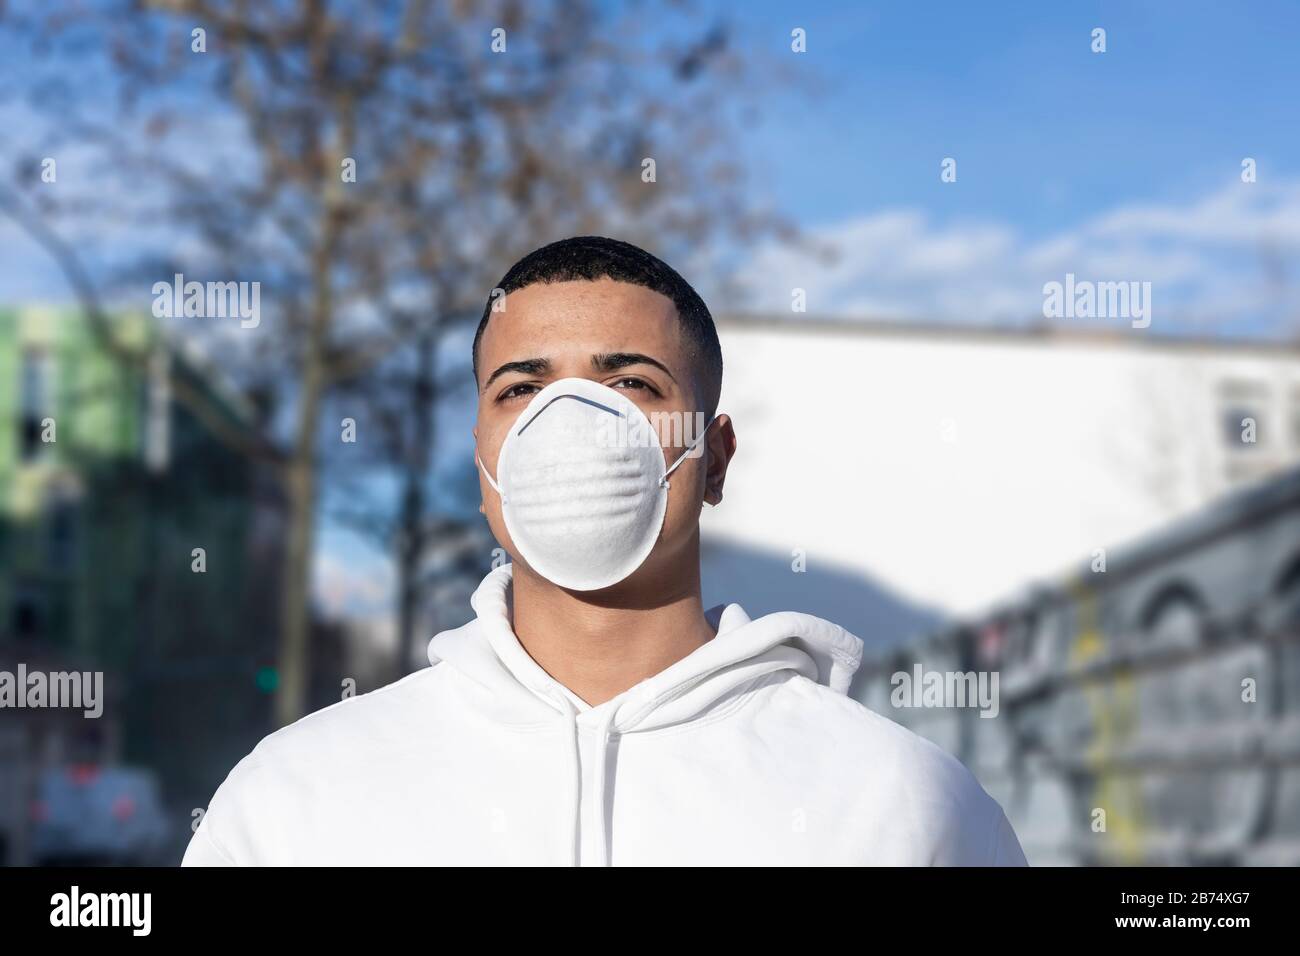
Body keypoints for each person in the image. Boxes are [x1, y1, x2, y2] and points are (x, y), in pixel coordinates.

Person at [182, 235, 1027, 866]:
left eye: (631, 383)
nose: (575, 425)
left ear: (717, 455)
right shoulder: (295, 802)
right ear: (482, 460)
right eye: (523, 388)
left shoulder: (905, 808)